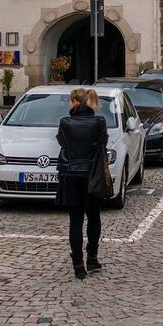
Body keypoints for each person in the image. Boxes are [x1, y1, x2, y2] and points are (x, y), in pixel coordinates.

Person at [55, 87, 108, 279]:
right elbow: (103, 143)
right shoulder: (99, 122)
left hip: (71, 176)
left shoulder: (65, 123)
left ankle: (78, 264)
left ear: (76, 102)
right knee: (94, 217)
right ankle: (92, 258)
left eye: (70, 101)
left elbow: (62, 142)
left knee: (75, 220)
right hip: (93, 175)